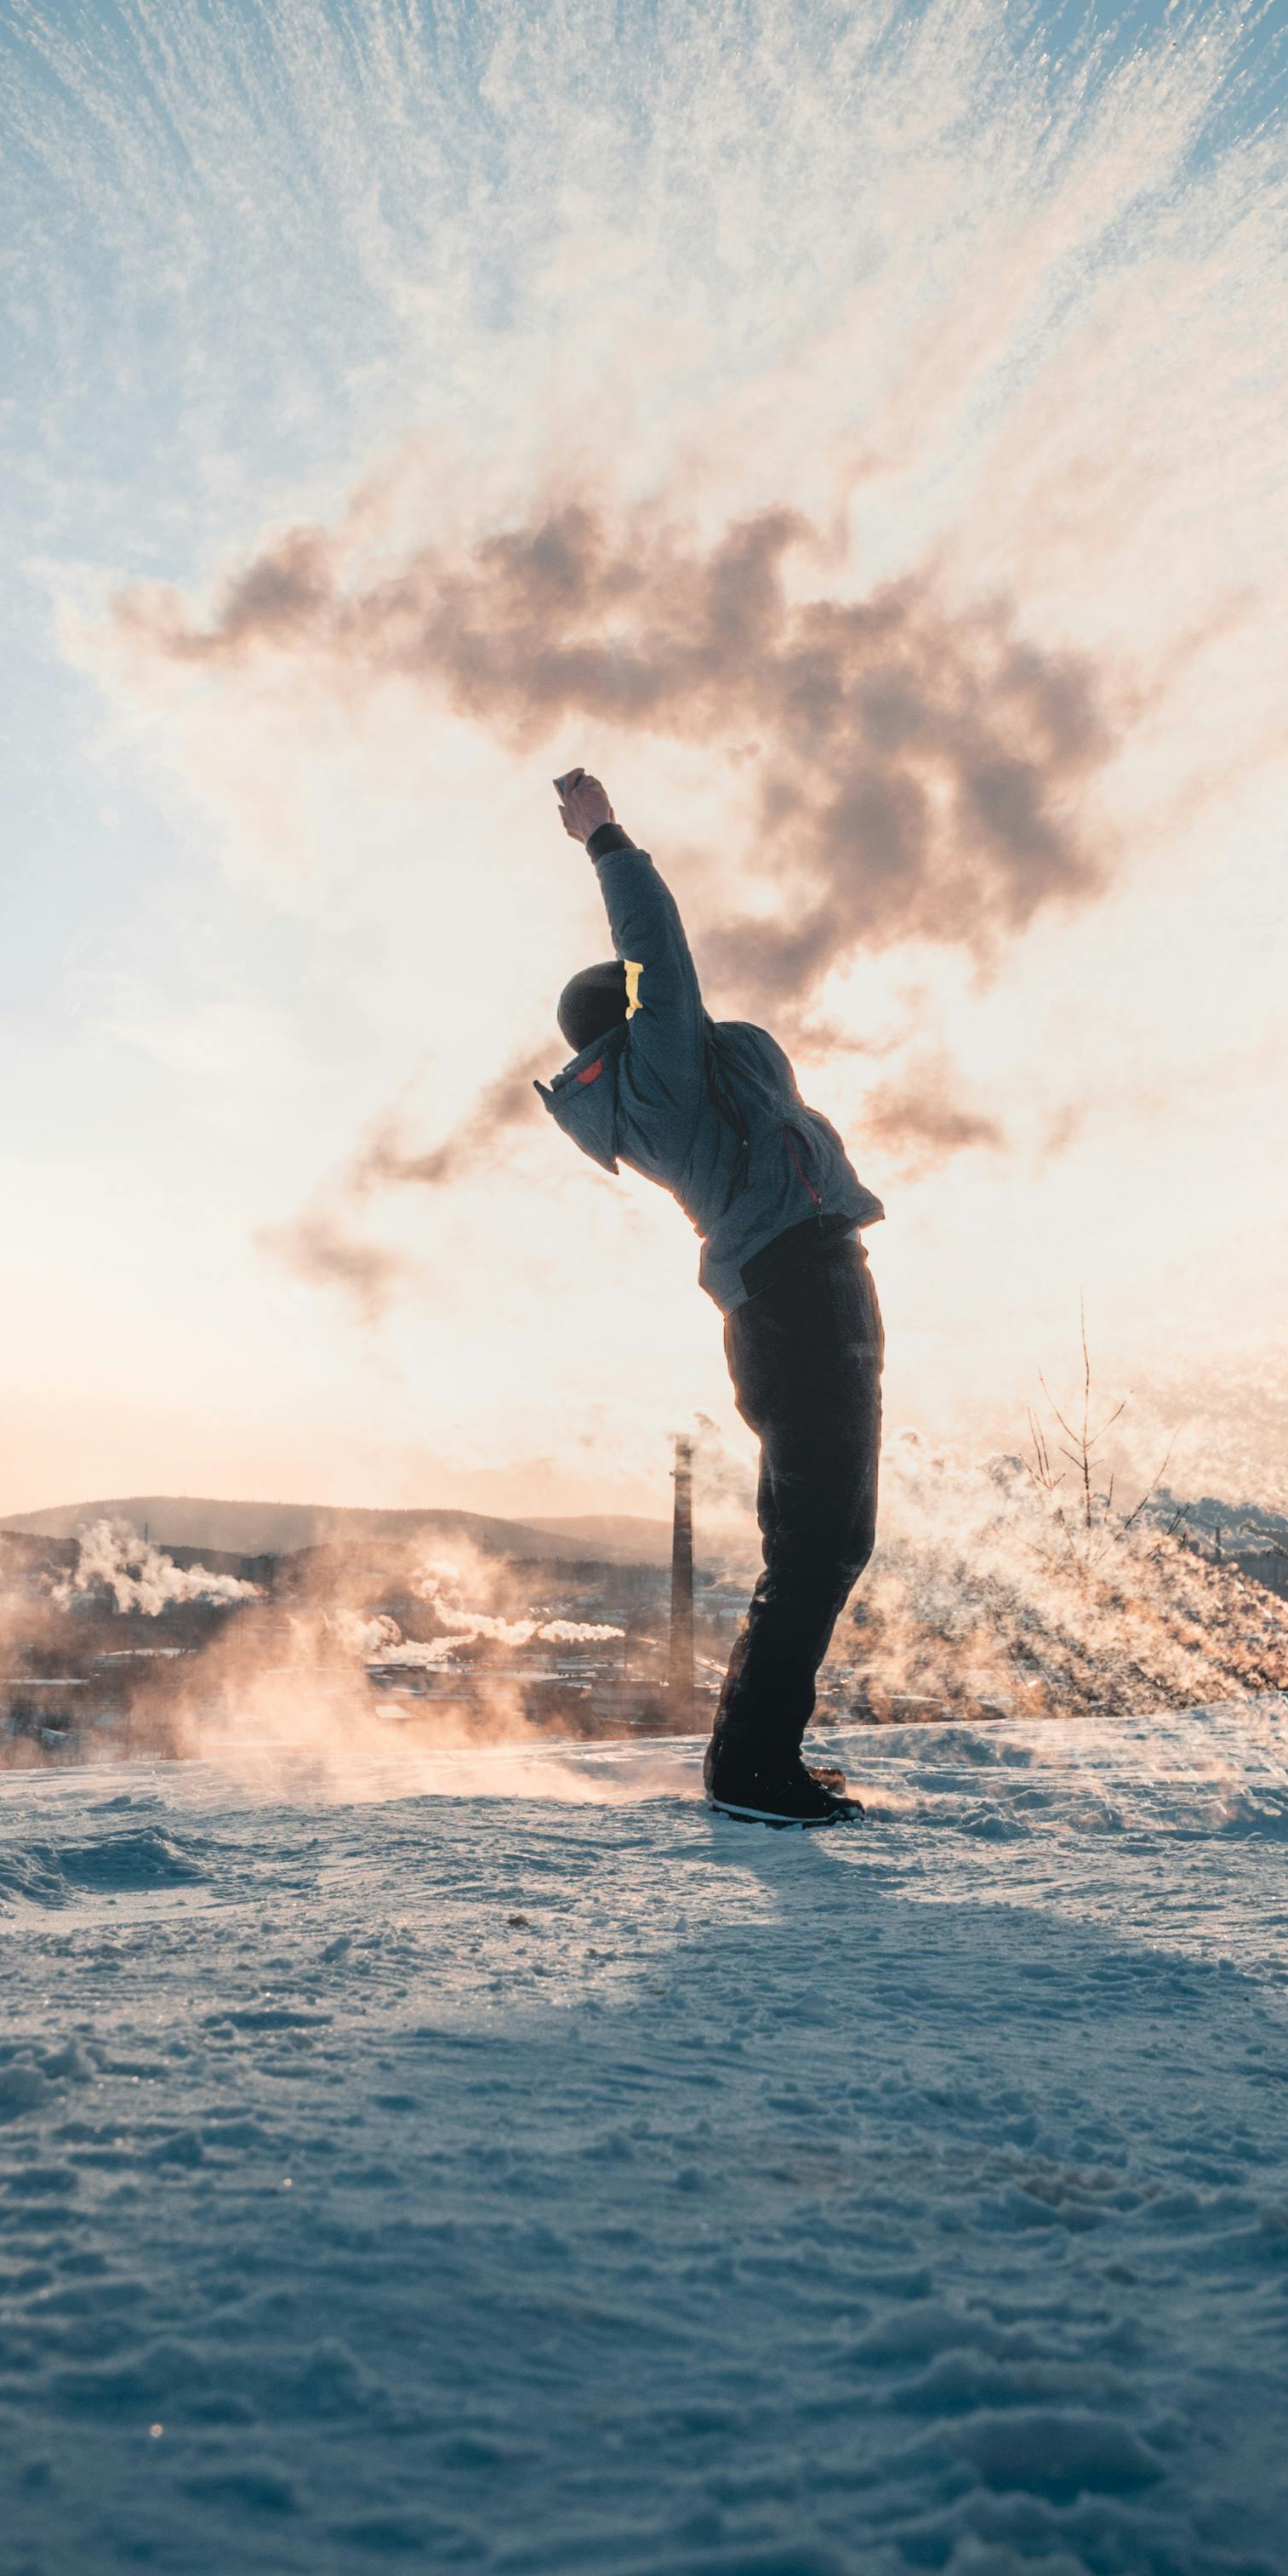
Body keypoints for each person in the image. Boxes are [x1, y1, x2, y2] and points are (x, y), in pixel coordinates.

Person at [540, 770, 885, 1826]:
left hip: (804, 1288)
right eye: (645, 1000)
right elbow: (660, 954)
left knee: (822, 1540)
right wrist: (607, 842)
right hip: (795, 1294)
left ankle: (755, 1758)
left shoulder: (682, 1087)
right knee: (820, 1542)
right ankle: (748, 1770)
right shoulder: (664, 1075)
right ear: (628, 1022)